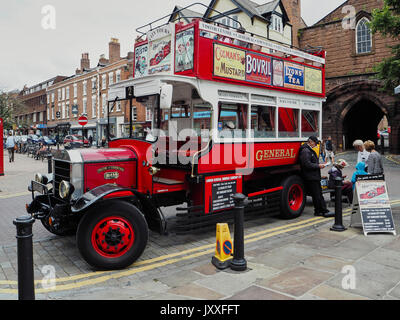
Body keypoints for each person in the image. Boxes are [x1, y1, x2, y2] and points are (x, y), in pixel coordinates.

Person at [299, 136, 334, 218]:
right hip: (311, 176)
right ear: (310, 142)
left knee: (317, 194)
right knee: (317, 194)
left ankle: (320, 211)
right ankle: (322, 211)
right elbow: (307, 164)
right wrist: (318, 166)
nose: (316, 145)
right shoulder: (306, 151)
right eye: (315, 143)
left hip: (313, 176)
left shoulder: (307, 150)